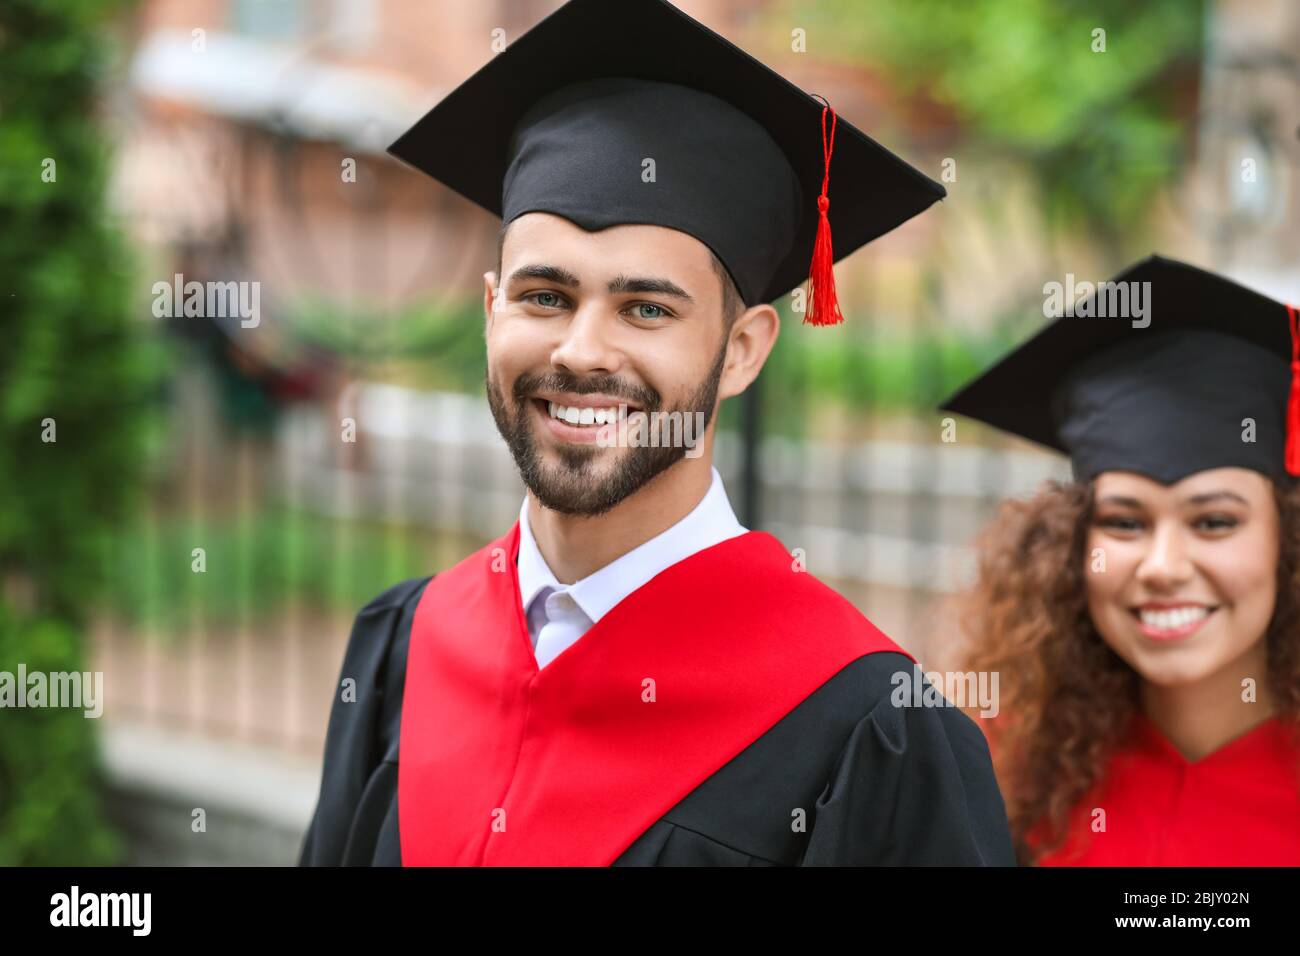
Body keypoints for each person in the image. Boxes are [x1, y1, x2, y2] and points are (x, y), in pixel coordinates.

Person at [299, 0, 1015, 867]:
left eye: (645, 308)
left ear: (743, 350)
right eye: (544, 296)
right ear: (491, 311)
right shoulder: (405, 650)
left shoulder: (865, 731)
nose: (580, 350)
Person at [940, 254, 1300, 866]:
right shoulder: (1009, 771)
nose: (1162, 566)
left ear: (1286, 542)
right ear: (1072, 547)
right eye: (1124, 522)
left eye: (1214, 521)